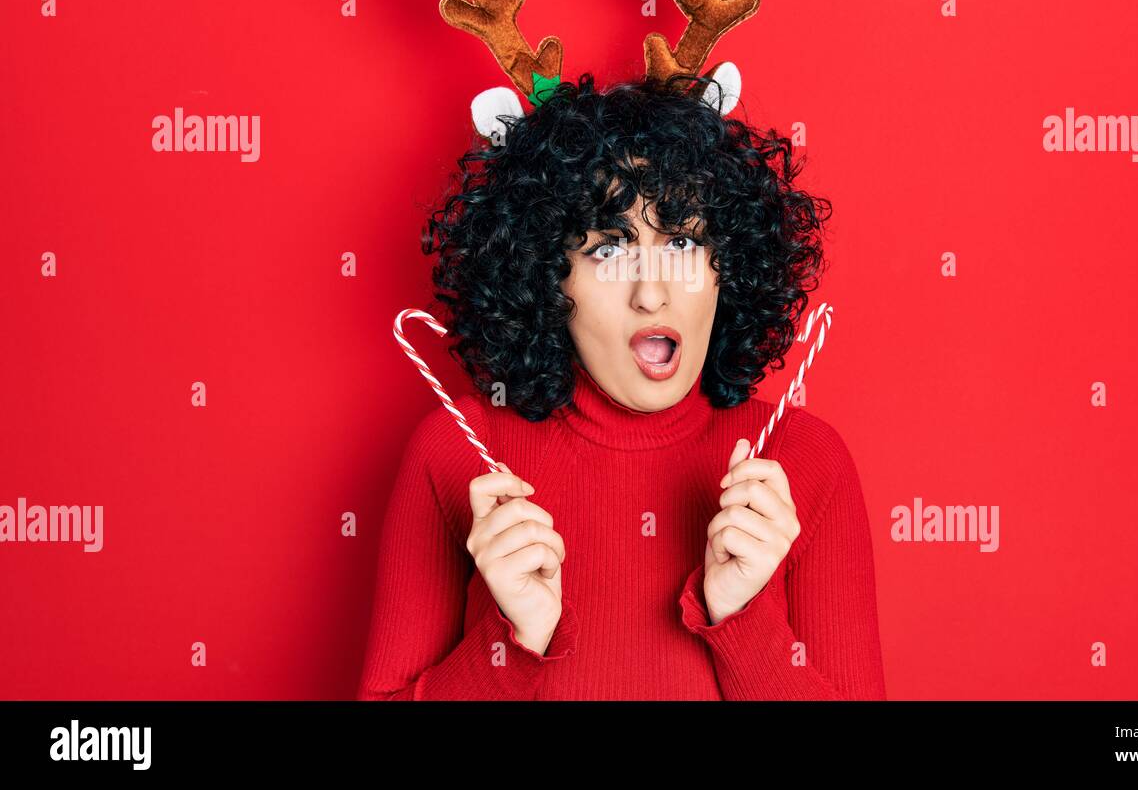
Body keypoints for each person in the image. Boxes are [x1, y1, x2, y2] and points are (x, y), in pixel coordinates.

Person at [355, 73, 886, 699]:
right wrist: (514, 642)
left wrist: (742, 619)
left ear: (729, 267)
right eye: (610, 249)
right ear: (547, 278)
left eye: (683, 241)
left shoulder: (805, 463)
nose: (651, 291)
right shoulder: (460, 455)